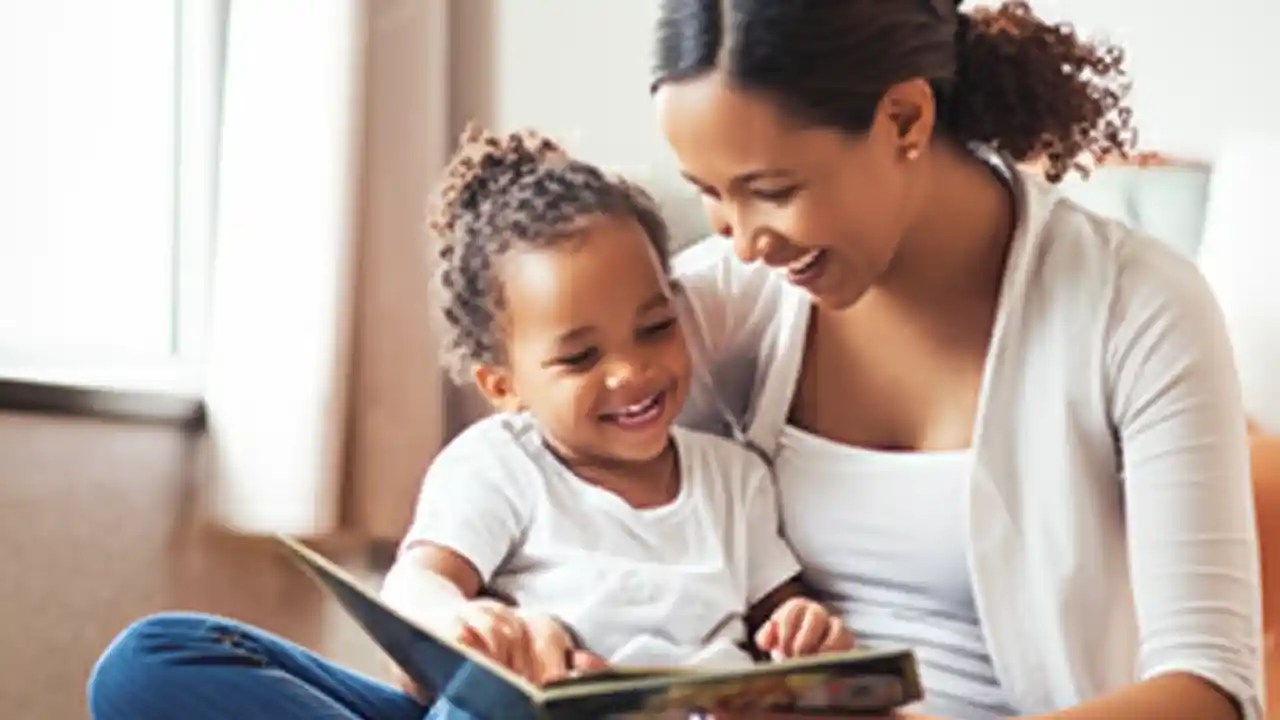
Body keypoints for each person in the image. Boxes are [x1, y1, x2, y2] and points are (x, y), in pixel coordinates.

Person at [85, 126, 854, 720]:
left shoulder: (733, 478)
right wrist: (465, 626)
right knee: (149, 661)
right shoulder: (500, 462)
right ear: (503, 386)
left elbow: (785, 624)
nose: (631, 372)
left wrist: (803, 630)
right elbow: (418, 584)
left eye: (655, 329)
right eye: (581, 357)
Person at [645, 1, 1262, 719]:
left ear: (904, 119)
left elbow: (1211, 691)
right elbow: (559, 486)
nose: (747, 242)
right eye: (709, 193)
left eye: (773, 191)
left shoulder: (1136, 306)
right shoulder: (722, 307)